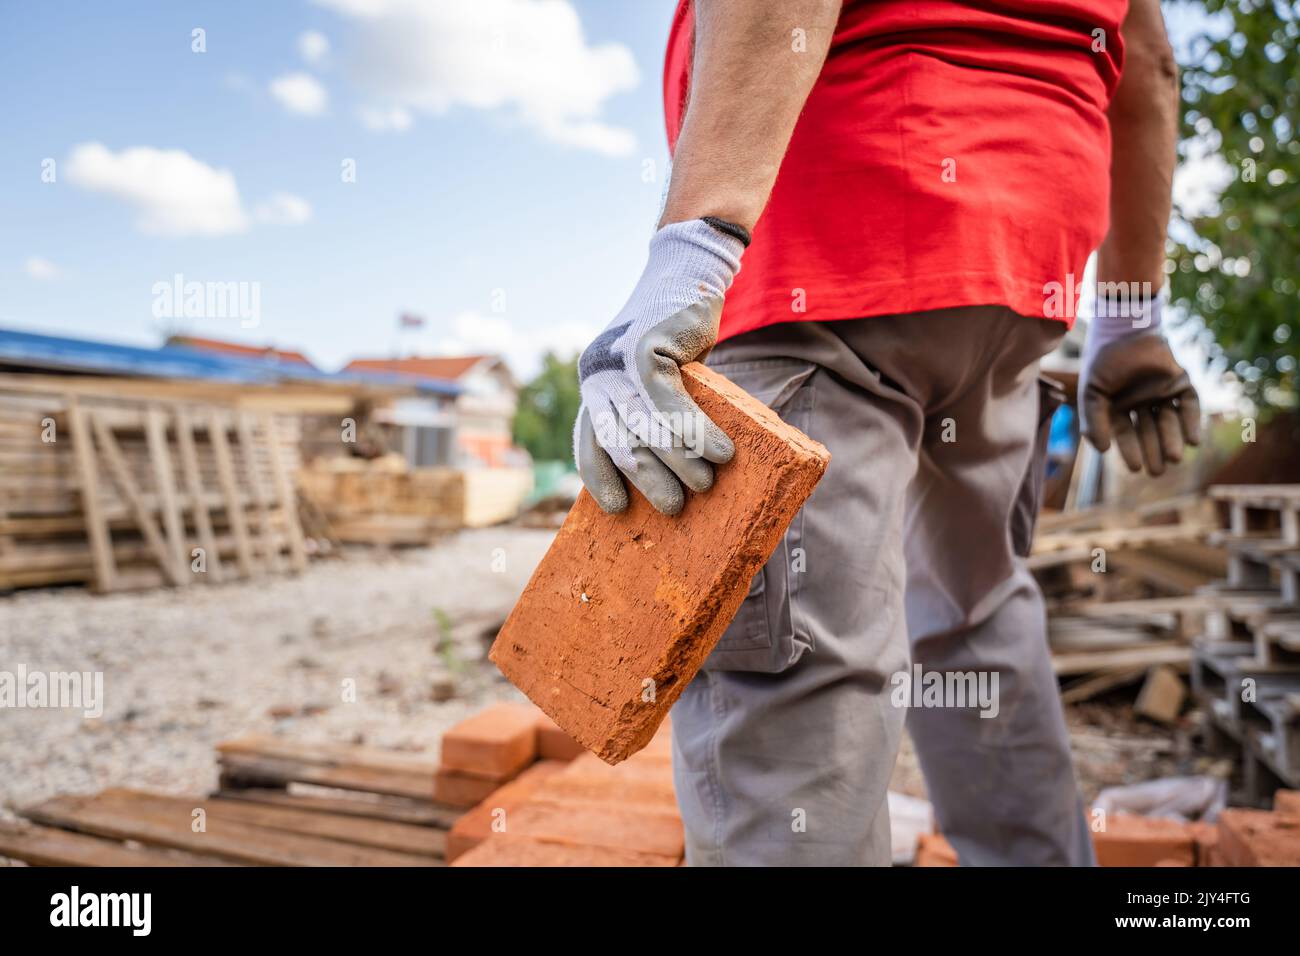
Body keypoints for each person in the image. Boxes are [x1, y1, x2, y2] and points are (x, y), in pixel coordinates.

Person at [573, 0, 1200, 866]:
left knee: (795, 679)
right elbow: (1150, 62)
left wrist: (692, 253)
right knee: (976, 626)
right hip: (1018, 274)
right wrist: (1131, 318)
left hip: (831, 251)